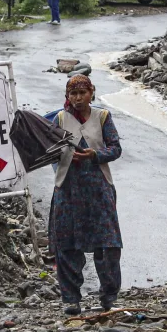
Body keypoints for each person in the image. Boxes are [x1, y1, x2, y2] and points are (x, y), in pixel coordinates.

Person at [46, 75, 123, 315]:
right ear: (67, 96)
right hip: (68, 190)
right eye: (73, 94)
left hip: (99, 188)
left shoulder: (103, 117)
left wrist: (94, 154)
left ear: (92, 93)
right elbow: (49, 150)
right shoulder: (59, 119)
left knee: (107, 244)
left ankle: (109, 296)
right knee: (67, 244)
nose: (77, 98)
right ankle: (71, 299)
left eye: (82, 93)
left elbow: (115, 148)